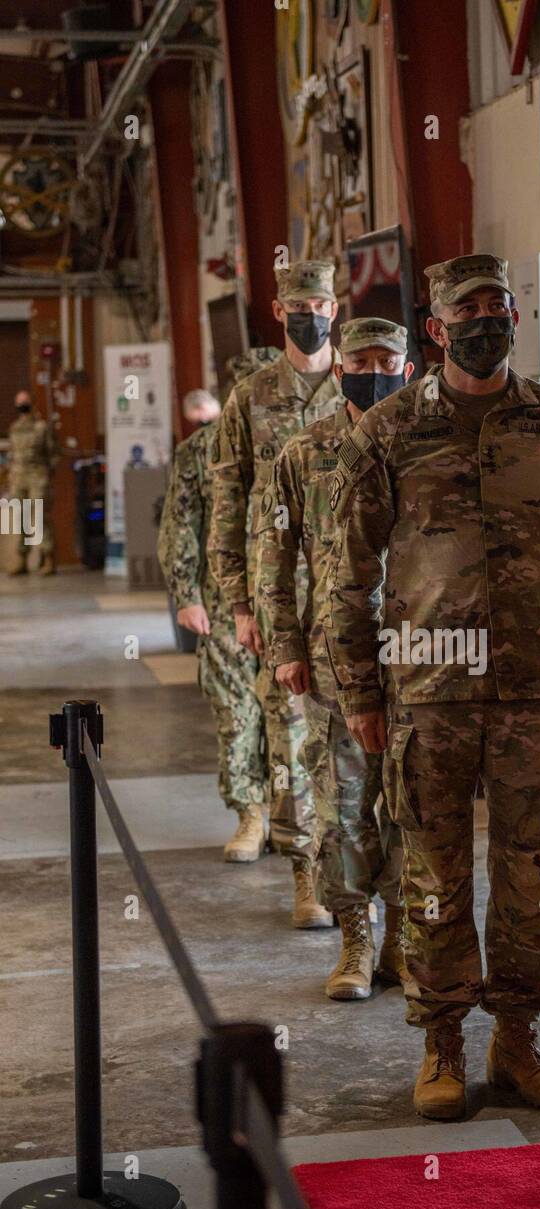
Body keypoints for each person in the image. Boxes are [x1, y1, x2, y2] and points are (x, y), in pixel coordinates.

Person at [325, 254, 540, 1120]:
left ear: (516, 319)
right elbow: (347, 574)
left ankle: (518, 1042)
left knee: (531, 875)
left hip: (531, 692)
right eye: (470, 309)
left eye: (500, 306)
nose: (488, 320)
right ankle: (442, 1044)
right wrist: (360, 692)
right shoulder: (386, 433)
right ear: (437, 326)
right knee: (434, 874)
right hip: (426, 693)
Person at [257, 318, 413, 1001]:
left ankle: (404, 939)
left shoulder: (432, 448)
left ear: (409, 368)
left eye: (387, 359)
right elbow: (274, 555)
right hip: (332, 665)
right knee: (343, 808)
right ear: (341, 367)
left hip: (420, 660)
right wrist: (285, 644)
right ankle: (356, 937)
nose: (374, 369)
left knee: (412, 807)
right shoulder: (304, 452)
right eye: (361, 359)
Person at [208, 261, 344, 928]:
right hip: (278, 600)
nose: (310, 313)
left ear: (337, 307)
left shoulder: (366, 384)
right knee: (291, 740)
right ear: (278, 308)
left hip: (357, 599)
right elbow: (225, 502)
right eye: (299, 303)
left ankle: (369, 880)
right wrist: (237, 603)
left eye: (320, 301)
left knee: (361, 742)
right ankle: (308, 874)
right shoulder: (250, 396)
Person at [158, 361, 277, 863]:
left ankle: (294, 818)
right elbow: (180, 523)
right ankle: (250, 814)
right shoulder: (201, 451)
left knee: (292, 718)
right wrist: (186, 594)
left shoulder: (299, 441)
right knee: (237, 713)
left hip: (290, 605)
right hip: (226, 606)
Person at [6, 390, 59, 576]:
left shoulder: (41, 427)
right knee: (21, 518)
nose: (22, 404)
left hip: (37, 476)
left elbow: (53, 454)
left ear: (31, 402)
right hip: (18, 478)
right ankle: (22, 558)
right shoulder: (14, 428)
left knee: (38, 516)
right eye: (19, 402)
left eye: (24, 401)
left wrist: (47, 474)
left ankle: (48, 557)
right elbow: (12, 455)